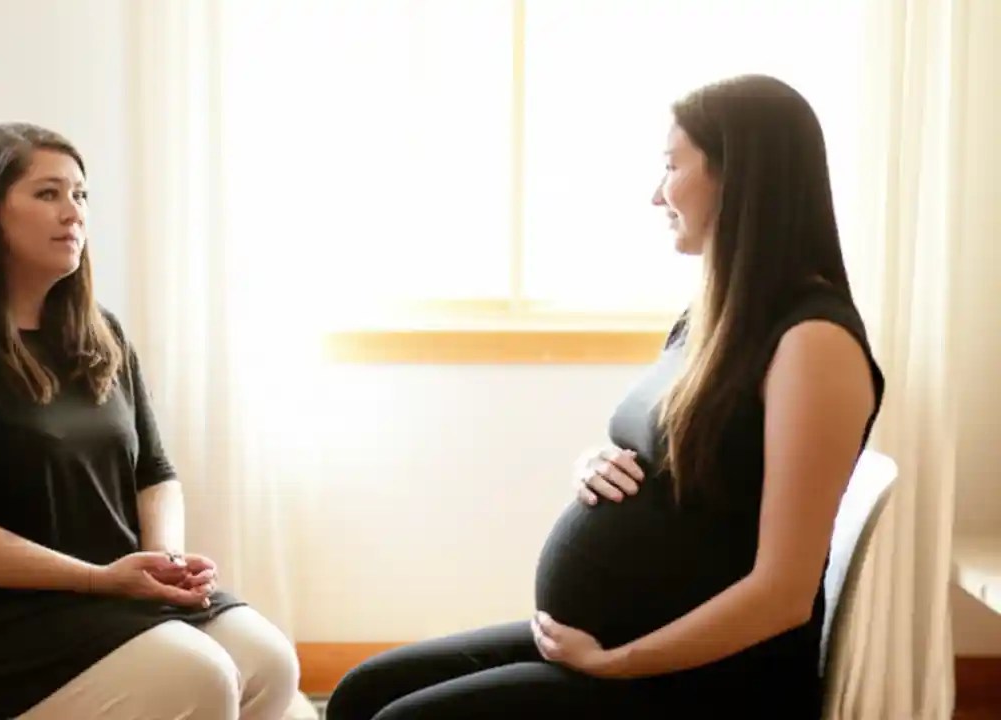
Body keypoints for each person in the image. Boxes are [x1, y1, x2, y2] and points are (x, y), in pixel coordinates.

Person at [326, 74, 885, 718]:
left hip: (706, 681)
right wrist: (596, 464)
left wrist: (617, 663)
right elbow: (686, 452)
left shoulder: (814, 343)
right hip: (621, 650)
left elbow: (782, 593)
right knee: (362, 693)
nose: (656, 194)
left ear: (741, 178)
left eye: (672, 166)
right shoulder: (719, 315)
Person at [0, 122, 300, 719]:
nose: (73, 213)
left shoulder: (99, 332)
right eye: (48, 194)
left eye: (80, 194)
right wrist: (100, 580)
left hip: (105, 588)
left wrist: (163, 561)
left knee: (270, 662)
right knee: (196, 675)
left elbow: (155, 473)